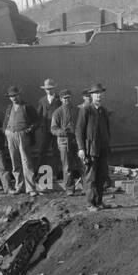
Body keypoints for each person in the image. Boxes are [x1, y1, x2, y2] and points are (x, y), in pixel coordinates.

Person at [76, 82, 112, 211]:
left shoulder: (103, 111)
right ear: (91, 96)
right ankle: (90, 204)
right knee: (90, 177)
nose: (99, 96)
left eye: (100, 93)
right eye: (96, 94)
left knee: (101, 175)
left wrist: (107, 145)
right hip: (91, 149)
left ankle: (99, 201)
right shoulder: (86, 109)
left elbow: (107, 130)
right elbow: (79, 130)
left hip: (102, 148)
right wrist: (81, 149)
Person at [3, 85, 41, 195]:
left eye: (15, 95)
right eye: (11, 96)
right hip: (11, 135)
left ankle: (30, 188)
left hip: (22, 135)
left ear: (19, 95)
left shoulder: (27, 107)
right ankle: (19, 186)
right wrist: (5, 130)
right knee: (15, 162)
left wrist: (29, 130)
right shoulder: (9, 108)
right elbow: (5, 121)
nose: (13, 98)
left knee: (26, 161)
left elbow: (37, 121)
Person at [50, 88, 81, 194]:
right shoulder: (57, 113)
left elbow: (81, 124)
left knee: (81, 164)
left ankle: (87, 187)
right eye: (64, 98)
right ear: (61, 99)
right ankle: (69, 188)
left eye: (68, 97)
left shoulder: (77, 110)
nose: (67, 100)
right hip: (64, 141)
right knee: (67, 166)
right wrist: (61, 132)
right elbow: (53, 128)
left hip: (76, 140)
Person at [34, 78, 61, 181]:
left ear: (54, 88)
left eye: (50, 88)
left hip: (56, 130)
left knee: (56, 152)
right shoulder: (42, 101)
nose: (48, 90)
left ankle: (55, 174)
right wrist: (35, 126)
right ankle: (41, 174)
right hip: (45, 130)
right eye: (46, 89)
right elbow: (38, 115)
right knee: (42, 152)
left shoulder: (59, 100)